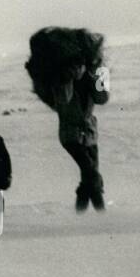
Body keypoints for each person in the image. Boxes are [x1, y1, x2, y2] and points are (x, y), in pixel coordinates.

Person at [54, 63, 109, 212]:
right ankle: (102, 216)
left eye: (80, 66)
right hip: (70, 134)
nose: (78, 69)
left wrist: (97, 78)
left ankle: (80, 216)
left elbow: (103, 98)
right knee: (91, 172)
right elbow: (63, 99)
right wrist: (68, 78)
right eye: (75, 66)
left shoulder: (91, 77)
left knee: (89, 178)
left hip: (90, 133)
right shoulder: (62, 79)